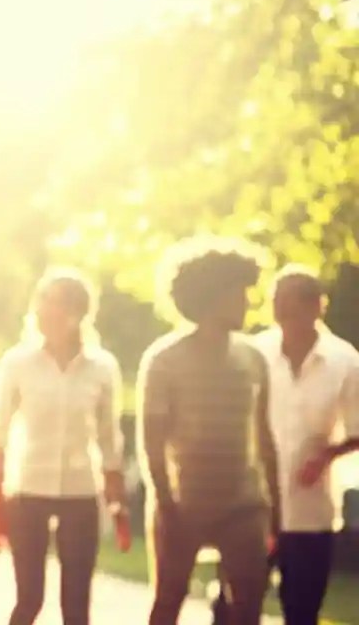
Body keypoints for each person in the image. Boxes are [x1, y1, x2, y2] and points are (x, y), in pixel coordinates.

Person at [139, 237, 280, 625]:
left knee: (249, 600)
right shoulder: (164, 360)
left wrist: (274, 508)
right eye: (240, 294)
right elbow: (152, 441)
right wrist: (166, 504)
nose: (247, 302)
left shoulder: (253, 358)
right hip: (182, 504)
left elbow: (263, 436)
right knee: (168, 599)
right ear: (213, 296)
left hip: (243, 505)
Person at [0, 268, 128, 625]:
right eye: (42, 302)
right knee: (29, 600)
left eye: (55, 304)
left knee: (77, 605)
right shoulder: (17, 363)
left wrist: (117, 502)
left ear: (78, 313)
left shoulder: (101, 368)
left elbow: (110, 439)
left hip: (81, 492)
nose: (45, 311)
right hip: (28, 491)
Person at [254, 266, 359, 624]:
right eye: (276, 303)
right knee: (233, 604)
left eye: (290, 304)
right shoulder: (254, 355)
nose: (281, 313)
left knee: (302, 610)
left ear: (317, 307)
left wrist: (327, 455)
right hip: (253, 506)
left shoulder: (345, 362)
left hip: (311, 511)